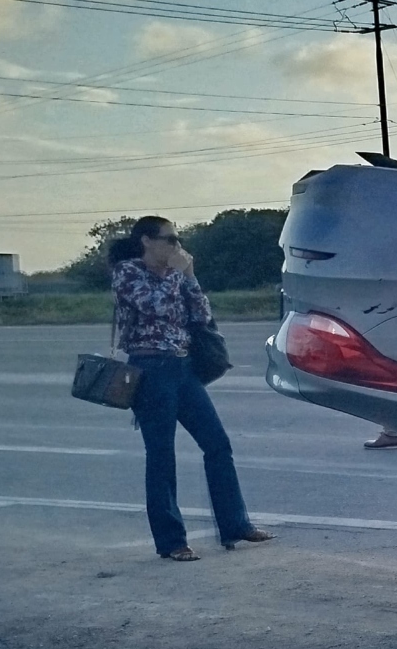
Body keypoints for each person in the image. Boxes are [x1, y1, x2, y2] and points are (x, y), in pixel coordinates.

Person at [110, 216, 274, 561]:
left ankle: (235, 524)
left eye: (177, 239)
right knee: (161, 456)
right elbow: (157, 307)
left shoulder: (177, 276)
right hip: (150, 369)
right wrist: (178, 276)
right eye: (169, 239)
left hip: (183, 368)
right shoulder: (127, 273)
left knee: (217, 444)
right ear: (146, 241)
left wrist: (191, 277)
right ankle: (171, 542)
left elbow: (201, 315)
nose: (176, 246)